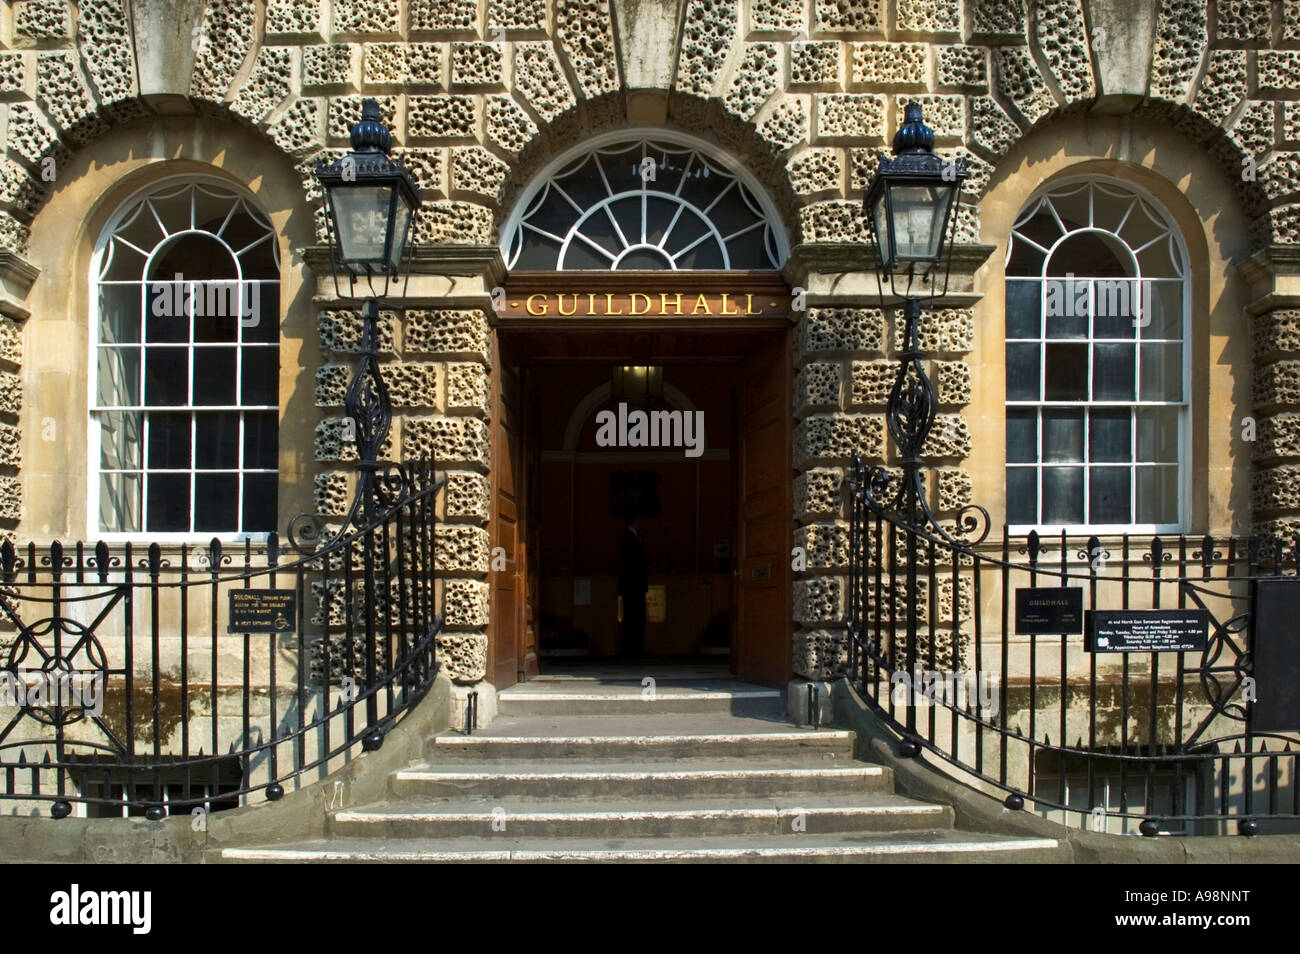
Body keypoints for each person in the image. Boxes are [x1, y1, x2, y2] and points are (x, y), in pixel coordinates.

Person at [617, 516, 648, 657]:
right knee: (634, 618)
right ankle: (633, 649)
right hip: (633, 586)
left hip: (631, 586)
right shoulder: (629, 539)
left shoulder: (628, 538)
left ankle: (632, 649)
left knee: (632, 617)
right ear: (636, 521)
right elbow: (633, 564)